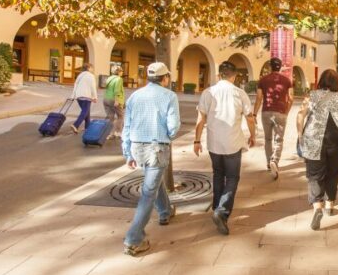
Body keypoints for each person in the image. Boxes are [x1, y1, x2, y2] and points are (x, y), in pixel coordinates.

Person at [121, 62, 181, 256]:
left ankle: (165, 211)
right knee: (148, 192)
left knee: (154, 181)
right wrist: (168, 136)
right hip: (157, 147)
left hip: (138, 147)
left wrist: (128, 152)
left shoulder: (135, 96)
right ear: (165, 78)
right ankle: (134, 238)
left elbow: (127, 126)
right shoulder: (169, 96)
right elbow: (173, 126)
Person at [194, 61, 256, 235]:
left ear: (219, 75)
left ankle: (216, 207)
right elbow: (250, 118)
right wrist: (253, 135)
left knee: (218, 174)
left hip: (214, 143)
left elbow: (201, 119)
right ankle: (222, 211)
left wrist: (196, 141)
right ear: (234, 76)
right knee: (233, 177)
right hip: (233, 143)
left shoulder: (208, 92)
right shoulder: (239, 93)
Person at [297, 69, 338, 230]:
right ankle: (329, 205)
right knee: (333, 172)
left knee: (315, 174)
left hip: (314, 139)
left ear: (321, 81)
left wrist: (300, 134)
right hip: (337, 140)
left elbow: (301, 115)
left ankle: (318, 207)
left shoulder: (312, 96)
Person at [253, 57, 293, 180]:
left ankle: (269, 163)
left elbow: (259, 98)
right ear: (280, 67)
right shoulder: (287, 80)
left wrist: (254, 114)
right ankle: (274, 161)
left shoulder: (263, 80)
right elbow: (291, 98)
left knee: (268, 139)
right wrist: (286, 112)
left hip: (266, 112)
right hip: (280, 112)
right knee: (279, 140)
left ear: (270, 67)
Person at [69, 63, 97, 134]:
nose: (92, 69)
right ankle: (75, 125)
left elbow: (75, 85)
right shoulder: (91, 76)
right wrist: (95, 97)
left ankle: (87, 127)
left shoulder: (80, 75)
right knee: (85, 112)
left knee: (86, 112)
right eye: (92, 67)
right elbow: (93, 87)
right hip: (86, 96)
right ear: (88, 68)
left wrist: (73, 95)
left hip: (79, 96)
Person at [103, 66, 125, 139]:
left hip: (106, 99)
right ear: (118, 72)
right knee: (120, 116)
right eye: (121, 71)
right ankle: (118, 132)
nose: (122, 72)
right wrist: (117, 100)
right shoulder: (119, 79)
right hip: (114, 99)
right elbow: (117, 90)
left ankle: (108, 133)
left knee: (110, 117)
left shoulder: (109, 78)